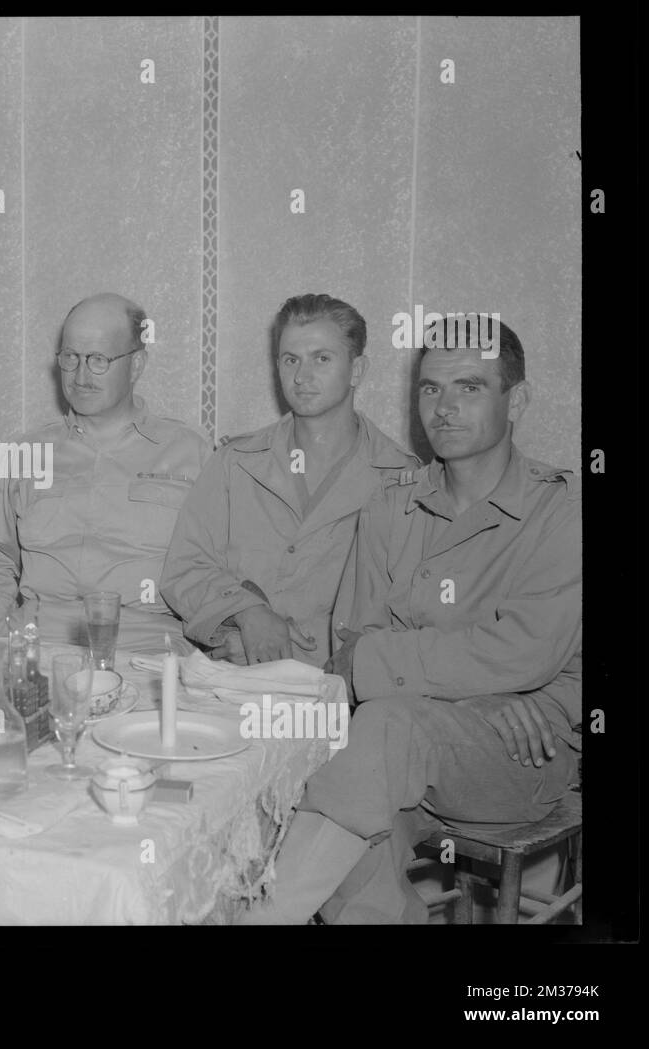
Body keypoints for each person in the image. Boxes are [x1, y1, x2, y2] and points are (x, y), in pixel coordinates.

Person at [241, 318, 581, 923]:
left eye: (470, 387)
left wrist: (401, 674)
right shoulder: (390, 508)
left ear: (517, 400)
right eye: (429, 389)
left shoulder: (561, 511)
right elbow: (354, 642)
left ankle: (258, 920)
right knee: (352, 841)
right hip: (401, 758)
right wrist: (478, 688)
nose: (444, 408)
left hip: (520, 753)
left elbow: (524, 652)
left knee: (382, 733)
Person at [161, 294, 420, 666]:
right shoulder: (236, 463)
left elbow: (411, 611)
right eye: (290, 359)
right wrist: (247, 614)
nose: (302, 376)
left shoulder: (403, 479)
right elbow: (185, 568)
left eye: (322, 359)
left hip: (343, 695)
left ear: (358, 370)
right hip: (235, 682)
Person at [0, 293, 210, 651]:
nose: (80, 376)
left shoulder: (191, 452)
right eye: (70, 358)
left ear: (137, 365)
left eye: (98, 360)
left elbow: (225, 563)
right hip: (37, 643)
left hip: (148, 647)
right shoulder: (24, 453)